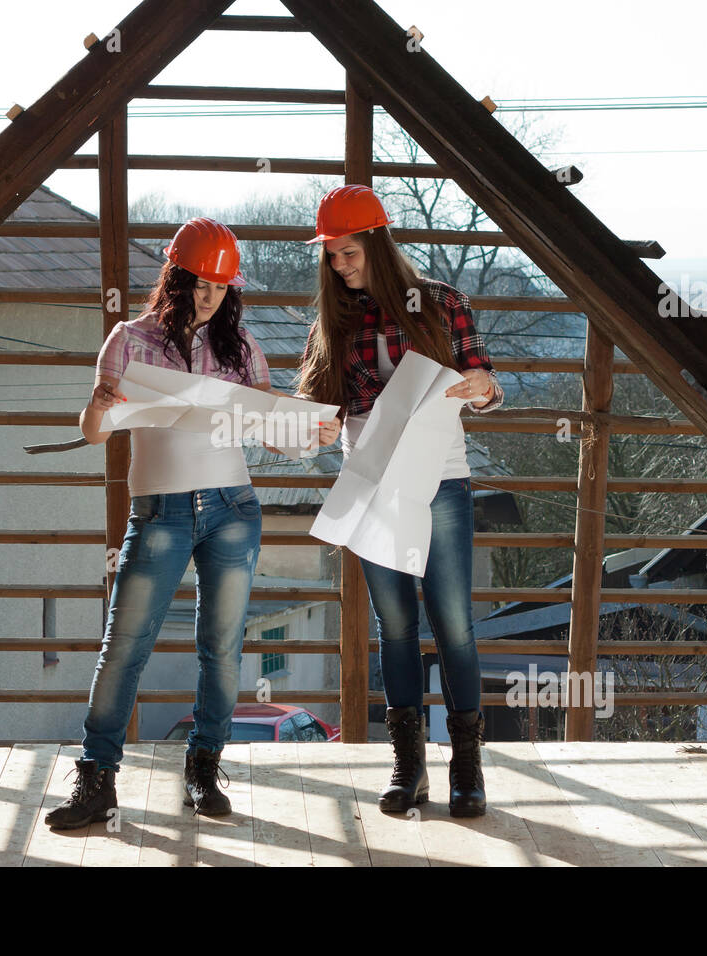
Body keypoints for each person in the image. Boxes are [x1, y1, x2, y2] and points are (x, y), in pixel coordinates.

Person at [46, 218, 272, 829]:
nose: (209, 297)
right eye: (199, 284)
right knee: (123, 649)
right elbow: (95, 433)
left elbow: (268, 429)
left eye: (221, 288)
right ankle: (97, 782)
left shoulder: (243, 347)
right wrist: (96, 406)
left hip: (232, 509)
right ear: (175, 277)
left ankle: (203, 767)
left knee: (221, 651)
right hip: (160, 513)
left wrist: (300, 428)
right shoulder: (128, 339)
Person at [295, 184, 504, 818]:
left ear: (380, 247)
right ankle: (408, 766)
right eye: (332, 255)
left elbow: (488, 383)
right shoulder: (332, 320)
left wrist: (483, 387)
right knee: (396, 629)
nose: (340, 265)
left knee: (454, 625)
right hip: (372, 485)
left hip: (441, 482)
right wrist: (314, 423)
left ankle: (467, 768)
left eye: (350, 252)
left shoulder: (442, 305)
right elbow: (311, 404)